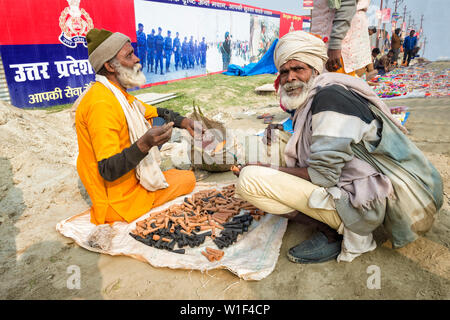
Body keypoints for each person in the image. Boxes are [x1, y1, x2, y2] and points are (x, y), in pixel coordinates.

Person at [234, 30, 443, 264]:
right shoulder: (319, 92)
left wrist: (265, 168)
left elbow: (322, 175)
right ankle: (313, 210)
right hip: (355, 180)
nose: (290, 78)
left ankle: (332, 232)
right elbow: (317, 143)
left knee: (249, 179)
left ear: (315, 70)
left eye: (298, 69)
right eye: (284, 72)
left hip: (364, 202)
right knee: (269, 142)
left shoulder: (329, 98)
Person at [73, 28, 199, 225]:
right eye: (129, 55)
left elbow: (157, 112)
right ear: (110, 66)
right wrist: (144, 145)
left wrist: (185, 122)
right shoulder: (101, 104)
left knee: (178, 175)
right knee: (188, 179)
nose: (137, 59)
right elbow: (107, 169)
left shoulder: (120, 96)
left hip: (132, 183)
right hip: (118, 201)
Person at [311, 0, 372, 77]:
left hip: (339, 46)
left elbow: (348, 3)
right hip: (334, 41)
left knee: (334, 84)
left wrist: (335, 44)